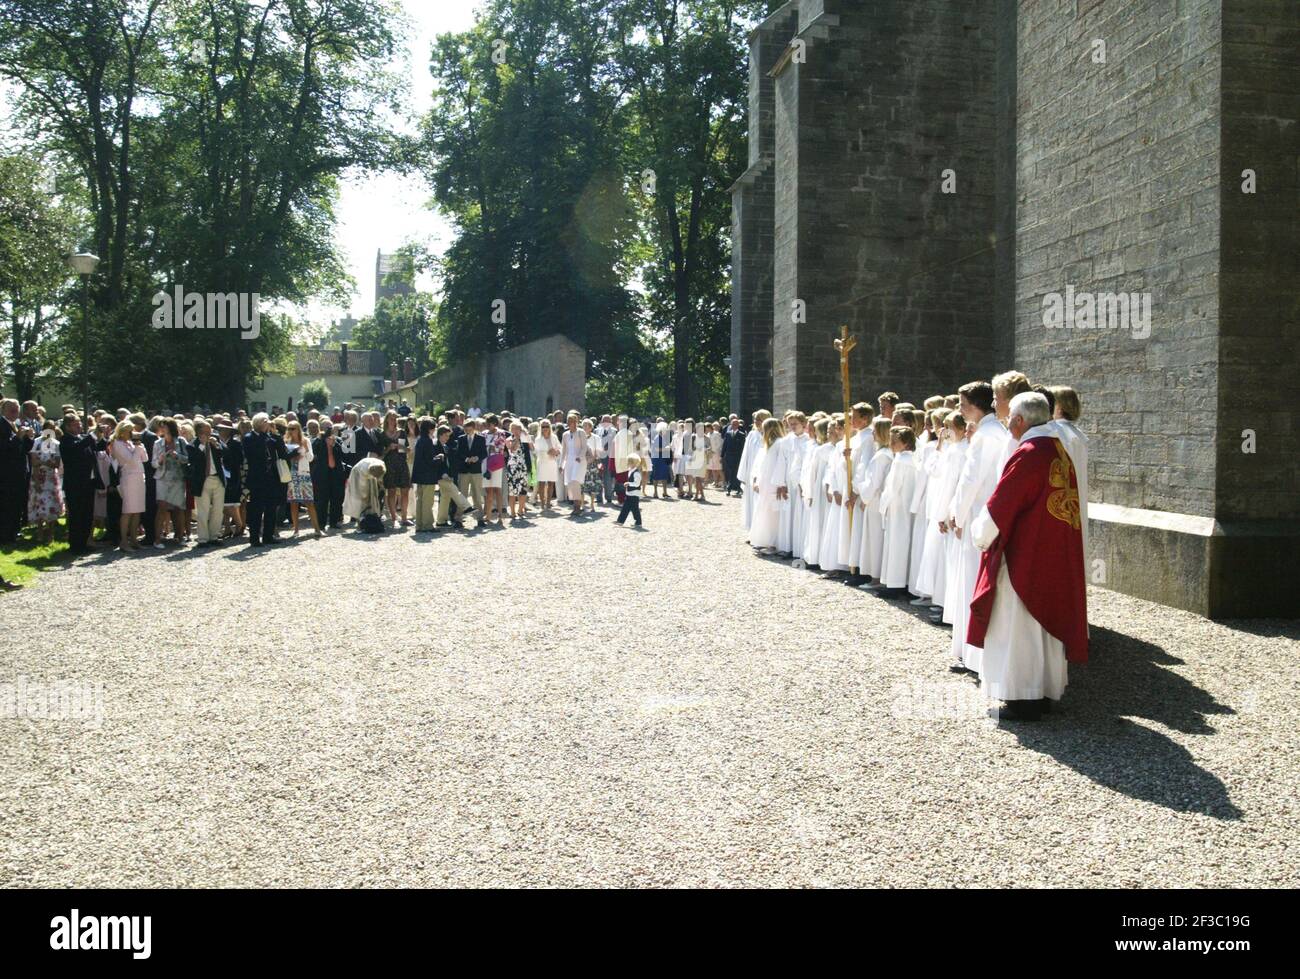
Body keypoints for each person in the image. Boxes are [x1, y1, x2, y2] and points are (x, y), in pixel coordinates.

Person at [967, 391, 1089, 721]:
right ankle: (1044, 691)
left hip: (1025, 556)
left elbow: (1002, 504)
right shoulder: (1058, 451)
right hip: (1052, 553)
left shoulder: (1030, 453)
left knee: (1017, 624)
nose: (1007, 424)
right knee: (1043, 626)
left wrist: (980, 534)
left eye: (1009, 420)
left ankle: (1022, 696)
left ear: (1020, 421)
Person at [948, 380, 1015, 676]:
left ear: (975, 404)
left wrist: (956, 514)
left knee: (970, 584)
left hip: (977, 517)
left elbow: (969, 482)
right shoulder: (995, 432)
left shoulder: (985, 436)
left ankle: (971, 653)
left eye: (962, 404)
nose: (960, 410)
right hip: (987, 517)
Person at [866, 426, 917, 595]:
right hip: (904, 507)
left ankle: (895, 584)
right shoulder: (910, 459)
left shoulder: (901, 460)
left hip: (896, 507)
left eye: (895, 441)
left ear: (906, 443)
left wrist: (883, 505)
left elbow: (893, 487)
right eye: (891, 441)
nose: (892, 444)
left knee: (896, 544)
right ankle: (899, 582)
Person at [241, 412, 291, 547]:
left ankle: (268, 536)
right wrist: (266, 435)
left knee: (271, 508)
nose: (267, 424)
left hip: (272, 478)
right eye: (265, 422)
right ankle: (254, 538)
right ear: (258, 423)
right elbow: (254, 453)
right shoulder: (249, 438)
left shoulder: (271, 438)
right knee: (256, 510)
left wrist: (275, 434)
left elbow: (282, 453)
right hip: (257, 479)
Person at [60, 413, 99, 555]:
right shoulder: (66, 440)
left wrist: (103, 437)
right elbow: (76, 450)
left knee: (87, 514)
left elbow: (96, 448)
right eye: (77, 425)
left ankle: (84, 542)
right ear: (68, 426)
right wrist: (92, 435)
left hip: (88, 482)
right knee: (77, 514)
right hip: (75, 484)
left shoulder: (82, 438)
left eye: (80, 424)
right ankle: (76, 545)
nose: (80, 427)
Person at [107, 420, 148, 551]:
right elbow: (130, 460)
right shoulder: (117, 444)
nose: (132, 434)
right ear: (123, 432)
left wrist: (139, 446)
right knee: (128, 511)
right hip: (129, 478)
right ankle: (124, 541)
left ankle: (134, 540)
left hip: (139, 477)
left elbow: (145, 458)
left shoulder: (131, 443)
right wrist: (136, 448)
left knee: (137, 511)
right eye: (129, 431)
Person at [186, 419, 226, 547]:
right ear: (199, 432)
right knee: (203, 511)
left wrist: (217, 446)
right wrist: (202, 445)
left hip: (217, 479)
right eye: (207, 432)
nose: (210, 434)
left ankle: (214, 536)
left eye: (210, 431)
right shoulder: (192, 444)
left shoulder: (215, 441)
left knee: (218, 510)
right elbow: (194, 459)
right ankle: (203, 539)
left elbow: (225, 454)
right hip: (202, 481)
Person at [151, 418, 189, 548]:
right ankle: (157, 539)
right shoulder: (157, 443)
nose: (162, 429)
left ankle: (180, 536)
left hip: (178, 478)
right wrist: (160, 460)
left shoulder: (181, 441)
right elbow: (153, 463)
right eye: (161, 427)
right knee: (161, 508)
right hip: (162, 478)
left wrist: (177, 455)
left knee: (178, 509)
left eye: (164, 427)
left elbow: (188, 459)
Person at [0, 398, 34, 542]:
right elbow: (4, 449)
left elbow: (23, 450)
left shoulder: (16, 424)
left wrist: (29, 438)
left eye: (16, 409)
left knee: (18, 502)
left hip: (20, 471)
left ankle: (15, 530)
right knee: (7, 503)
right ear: (3, 410)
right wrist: (18, 438)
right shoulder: (2, 425)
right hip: (7, 472)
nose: (15, 412)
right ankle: (6, 534)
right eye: (11, 409)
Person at [26, 420, 64, 543]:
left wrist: (50, 463)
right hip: (38, 475)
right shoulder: (36, 442)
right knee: (39, 504)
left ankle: (51, 532)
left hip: (51, 477)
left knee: (51, 505)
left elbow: (57, 463)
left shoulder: (56, 444)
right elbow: (34, 462)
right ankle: (40, 532)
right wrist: (43, 464)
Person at [285, 420, 321, 537]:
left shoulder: (306, 441)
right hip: (292, 474)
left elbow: (311, 458)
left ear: (298, 429)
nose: (290, 431)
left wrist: (304, 448)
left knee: (309, 502)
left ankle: (316, 528)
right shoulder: (287, 441)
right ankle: (296, 529)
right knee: (293, 503)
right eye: (289, 428)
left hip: (304, 474)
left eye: (293, 428)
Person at [311, 422, 347, 530]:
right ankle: (320, 524)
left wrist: (332, 446)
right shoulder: (316, 442)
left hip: (336, 475)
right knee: (322, 500)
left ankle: (334, 521)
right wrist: (326, 446)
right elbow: (314, 457)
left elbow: (341, 456)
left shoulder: (338, 441)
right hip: (322, 475)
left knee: (336, 499)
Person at [379, 411, 411, 529]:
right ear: (387, 420)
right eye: (392, 419)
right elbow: (380, 454)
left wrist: (399, 446)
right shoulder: (382, 435)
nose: (394, 421)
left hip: (401, 464)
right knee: (391, 491)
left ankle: (404, 517)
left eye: (395, 419)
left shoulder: (401, 433)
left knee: (405, 491)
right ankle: (393, 518)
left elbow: (406, 450)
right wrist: (388, 448)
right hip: (389, 465)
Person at [455, 418, 487, 526]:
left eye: (469, 429)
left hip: (476, 470)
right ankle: (458, 519)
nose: (467, 431)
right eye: (465, 429)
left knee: (477, 495)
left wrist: (477, 458)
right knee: (462, 494)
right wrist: (466, 459)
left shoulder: (481, 439)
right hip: (464, 470)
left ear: (474, 428)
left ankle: (480, 518)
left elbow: (484, 453)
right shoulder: (461, 438)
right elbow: (459, 453)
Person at [561, 412, 587, 516]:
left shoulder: (581, 432)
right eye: (570, 421)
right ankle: (575, 506)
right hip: (569, 461)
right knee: (571, 484)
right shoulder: (565, 434)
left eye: (574, 421)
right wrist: (561, 465)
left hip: (579, 461)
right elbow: (564, 451)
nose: (572, 423)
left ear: (577, 422)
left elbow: (584, 447)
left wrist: (579, 456)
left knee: (576, 481)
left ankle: (578, 506)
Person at [505, 421, 532, 519]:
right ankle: (512, 512)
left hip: (523, 467)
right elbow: (512, 449)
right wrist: (517, 438)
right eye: (514, 428)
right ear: (511, 430)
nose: (516, 430)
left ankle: (520, 510)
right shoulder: (509, 439)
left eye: (518, 428)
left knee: (523, 490)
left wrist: (527, 437)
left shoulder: (524, 439)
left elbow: (532, 448)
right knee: (512, 491)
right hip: (513, 468)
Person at [533, 419, 560, 510]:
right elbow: (536, 452)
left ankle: (548, 502)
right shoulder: (538, 439)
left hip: (552, 462)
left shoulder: (554, 437)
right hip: (542, 462)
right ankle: (542, 503)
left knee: (551, 483)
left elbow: (560, 448)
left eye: (547, 426)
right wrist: (547, 452)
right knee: (541, 483)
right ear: (540, 428)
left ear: (550, 427)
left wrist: (556, 452)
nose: (545, 428)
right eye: (543, 426)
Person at [616, 453, 644, 528]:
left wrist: (629, 483)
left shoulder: (636, 473)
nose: (627, 463)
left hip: (634, 493)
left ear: (633, 463)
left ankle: (638, 522)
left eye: (628, 462)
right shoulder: (630, 471)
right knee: (626, 508)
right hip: (629, 493)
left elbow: (637, 484)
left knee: (635, 509)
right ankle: (620, 521)